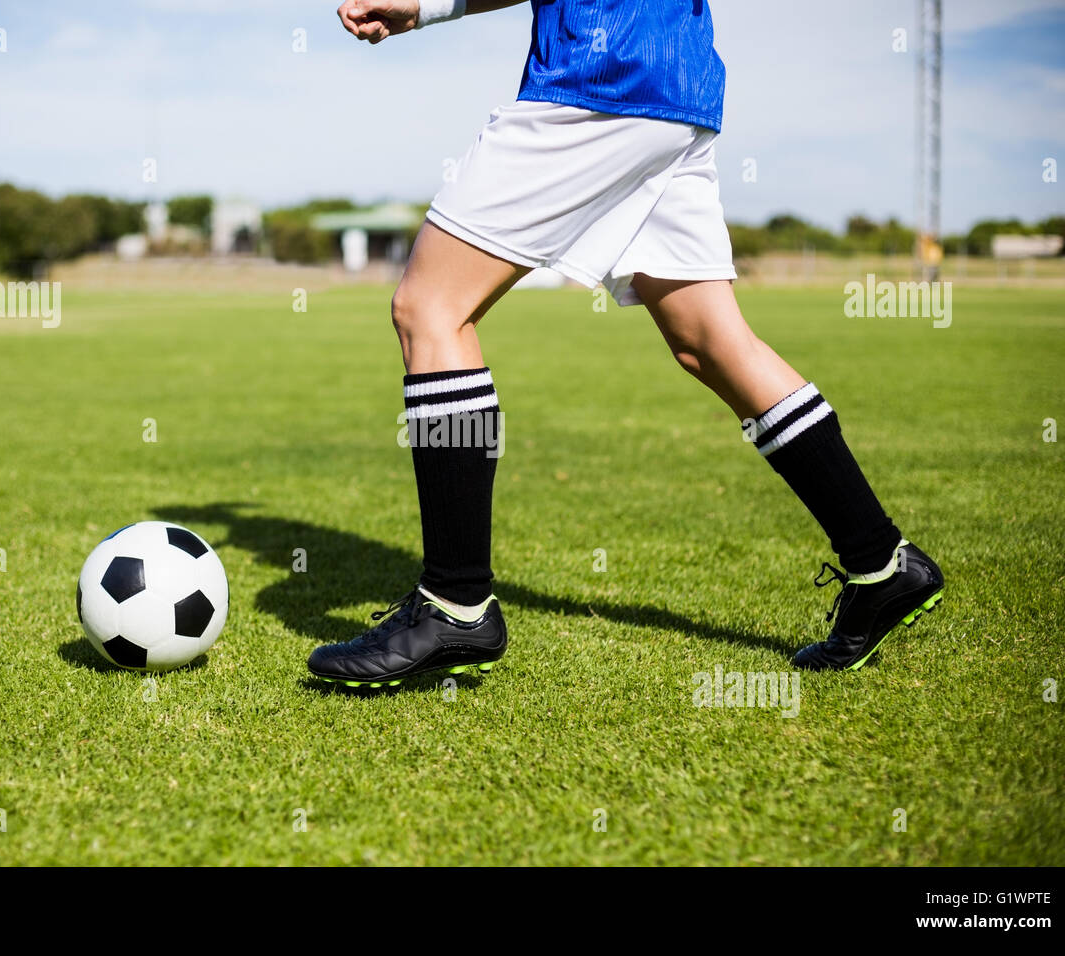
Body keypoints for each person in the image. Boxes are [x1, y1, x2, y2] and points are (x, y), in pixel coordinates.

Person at [307, 0, 944, 688]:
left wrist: (428, 5)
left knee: (430, 307)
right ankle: (882, 564)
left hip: (600, 74)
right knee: (710, 340)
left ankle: (455, 604)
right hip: (674, 80)